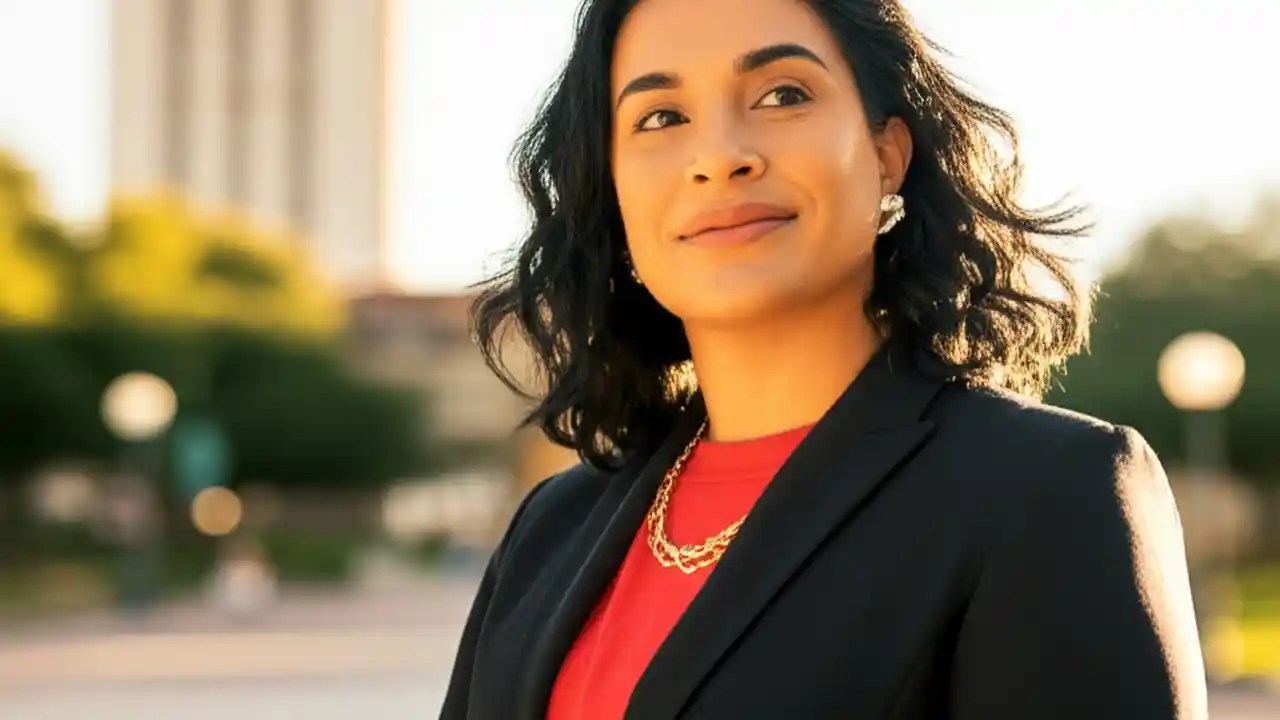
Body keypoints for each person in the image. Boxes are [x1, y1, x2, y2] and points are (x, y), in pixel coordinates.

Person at [441, 0, 1207, 717]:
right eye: (661, 116)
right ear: (612, 189)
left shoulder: (1048, 489)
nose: (719, 157)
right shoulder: (550, 529)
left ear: (887, 154)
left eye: (782, 95)